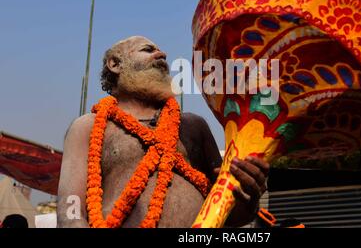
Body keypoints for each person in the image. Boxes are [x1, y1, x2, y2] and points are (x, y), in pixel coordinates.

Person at [57, 35, 269, 228]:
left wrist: (248, 196)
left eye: (160, 51)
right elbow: (71, 214)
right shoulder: (87, 127)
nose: (162, 54)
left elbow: (232, 216)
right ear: (115, 64)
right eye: (148, 49)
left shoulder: (194, 126)